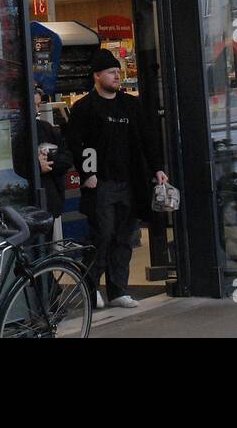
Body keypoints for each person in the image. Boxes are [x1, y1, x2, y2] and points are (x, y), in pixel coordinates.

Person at [65, 49, 168, 309]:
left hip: (130, 182)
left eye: (118, 72)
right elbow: (78, 144)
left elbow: (147, 139)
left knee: (124, 236)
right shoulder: (84, 108)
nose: (117, 76)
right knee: (102, 235)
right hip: (101, 184)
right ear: (97, 75)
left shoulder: (131, 105)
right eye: (111, 72)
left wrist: (157, 168)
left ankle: (118, 289)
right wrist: (88, 175)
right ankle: (90, 286)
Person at [11, 85, 74, 221]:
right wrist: (37, 167)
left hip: (48, 200)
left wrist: (50, 163)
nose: (36, 109)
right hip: (24, 201)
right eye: (33, 105)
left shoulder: (45, 128)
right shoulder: (17, 132)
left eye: (38, 105)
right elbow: (14, 166)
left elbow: (66, 157)